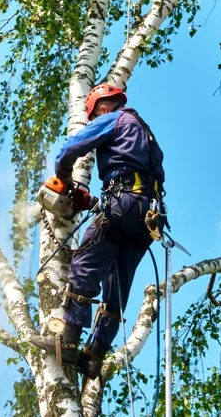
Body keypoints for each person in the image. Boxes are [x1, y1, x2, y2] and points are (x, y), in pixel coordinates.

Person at [48, 83, 165, 379]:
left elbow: (70, 148)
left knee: (84, 267)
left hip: (123, 205)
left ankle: (67, 342)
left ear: (101, 108)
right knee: (117, 287)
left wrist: (63, 177)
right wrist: (92, 202)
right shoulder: (146, 133)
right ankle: (94, 356)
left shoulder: (114, 118)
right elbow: (135, 182)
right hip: (148, 219)